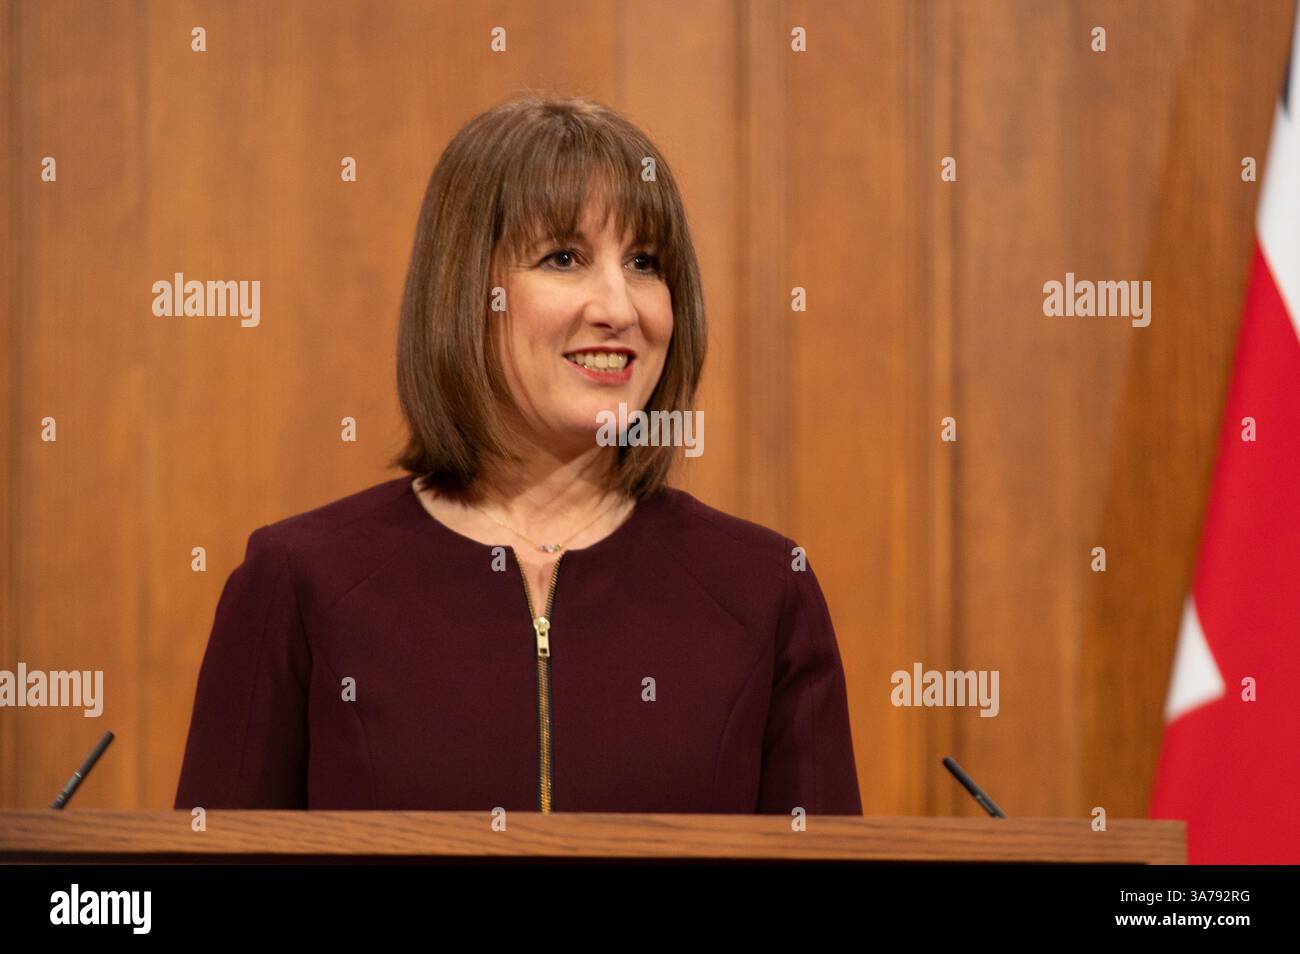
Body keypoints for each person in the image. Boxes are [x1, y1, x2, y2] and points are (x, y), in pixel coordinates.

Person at [174, 94, 861, 815]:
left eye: (645, 262)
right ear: (468, 290)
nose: (620, 308)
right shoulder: (299, 580)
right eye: (563, 258)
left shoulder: (766, 589)